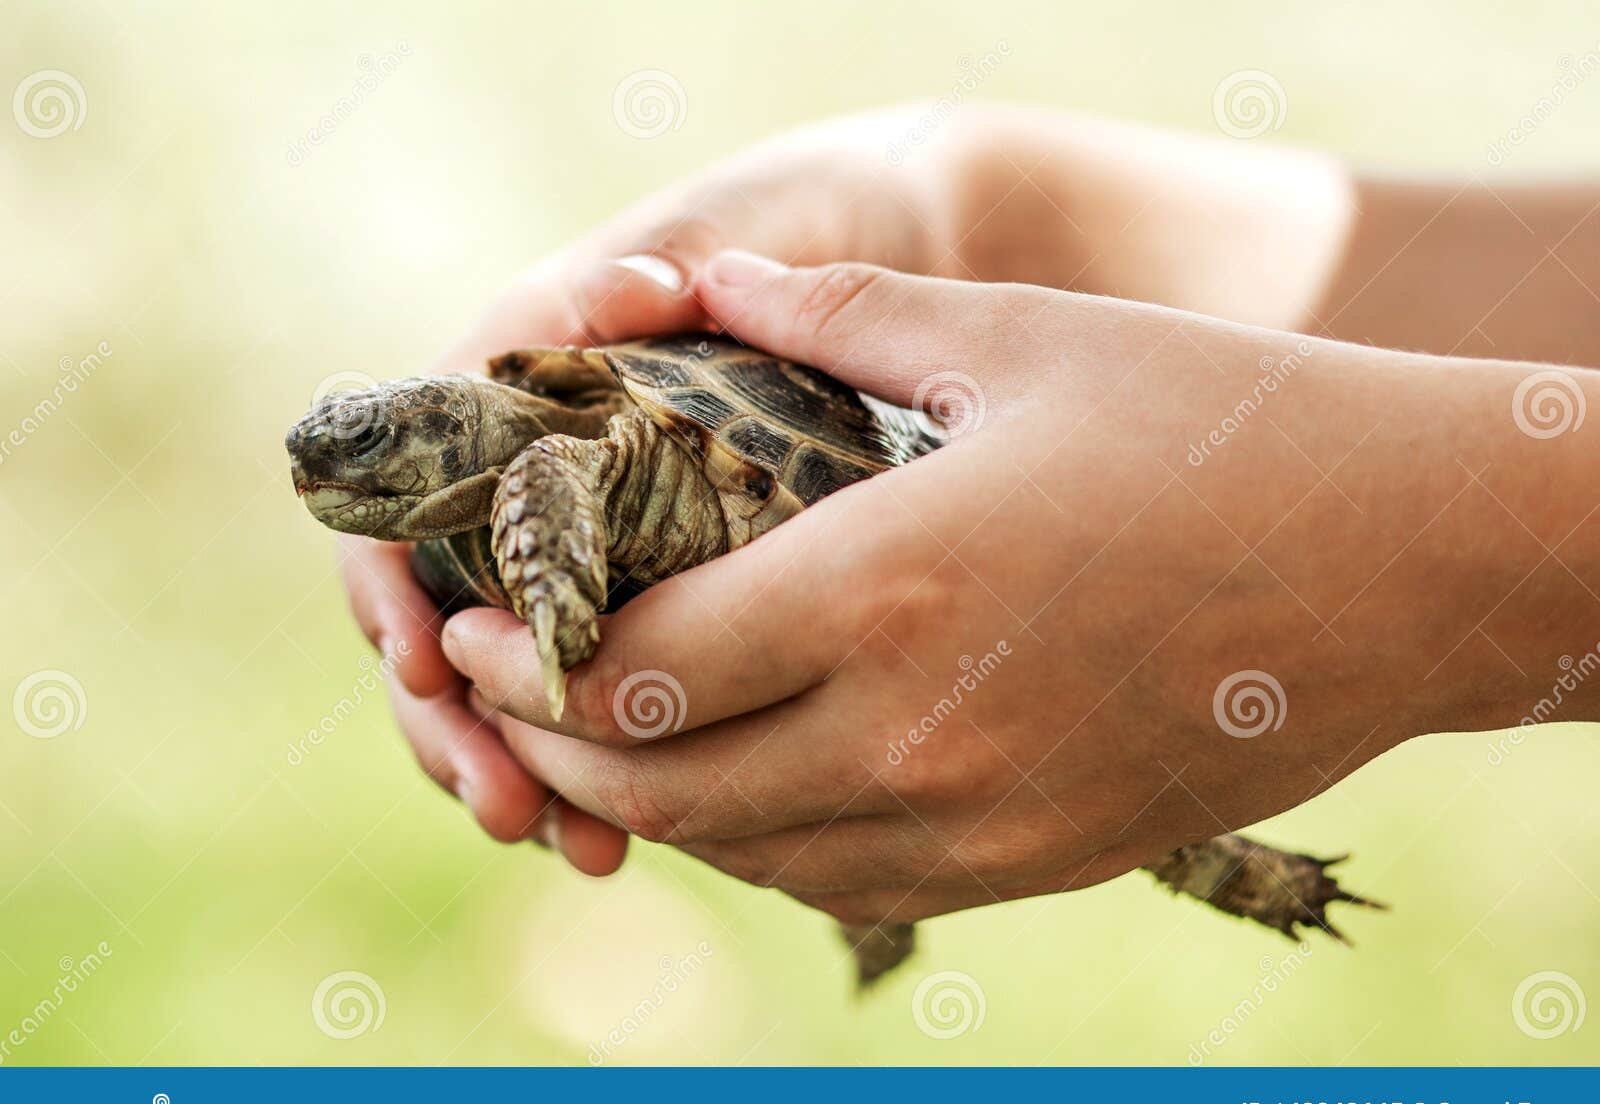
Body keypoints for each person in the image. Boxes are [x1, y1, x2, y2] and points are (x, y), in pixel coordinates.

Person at [340, 105, 1600, 928]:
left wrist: (1406, 557)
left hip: (788, 450)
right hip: (823, 426)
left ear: (453, 425)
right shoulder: (477, 483)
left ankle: (1202, 850)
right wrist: (979, 202)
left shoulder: (557, 465)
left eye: (377, 443)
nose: (340, 481)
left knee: (1099, 674)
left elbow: (562, 468)